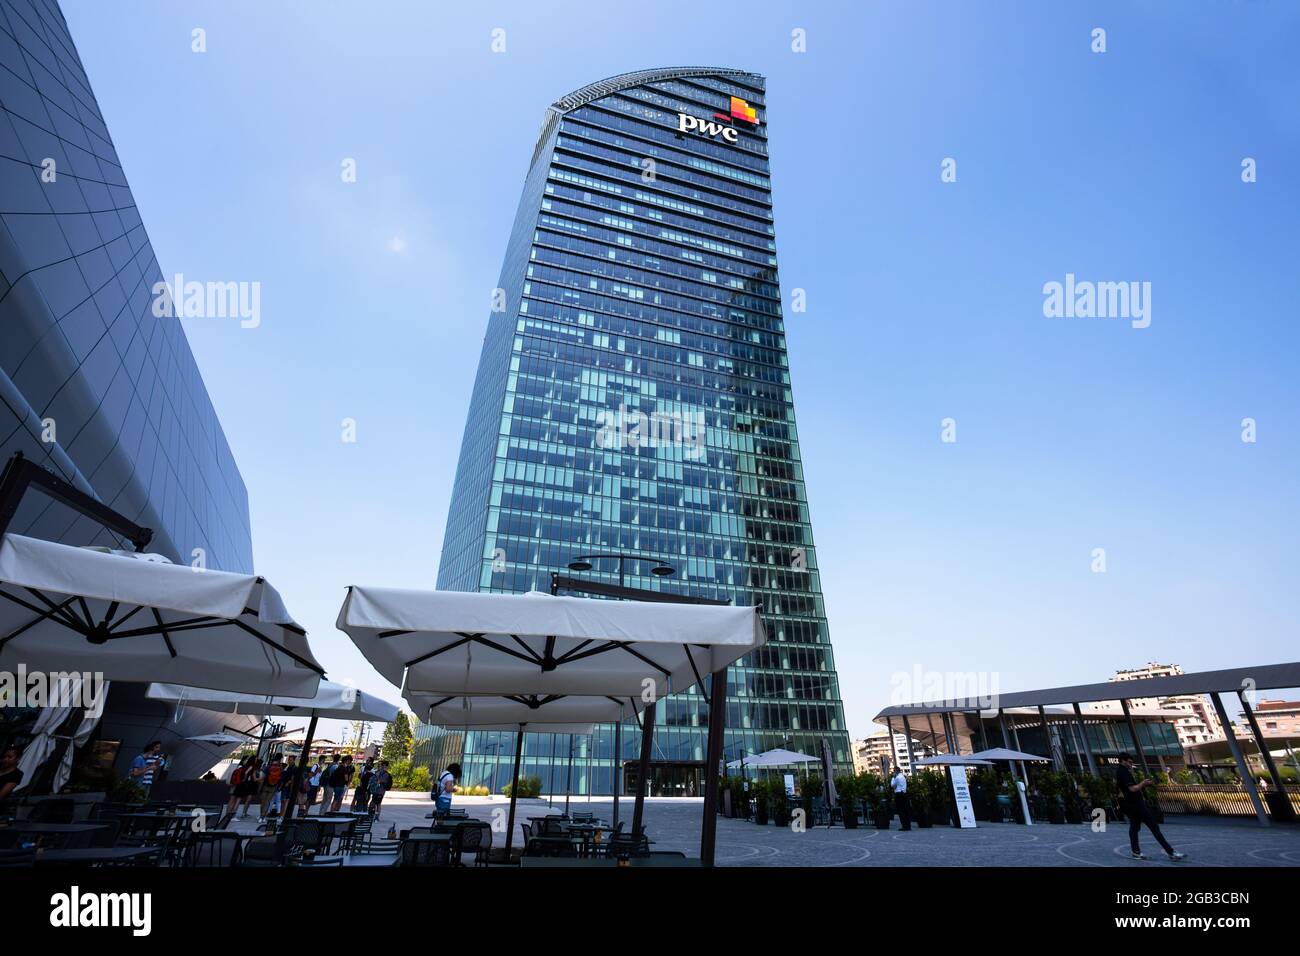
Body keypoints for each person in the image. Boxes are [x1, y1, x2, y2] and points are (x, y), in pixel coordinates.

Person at [1115, 754, 1185, 861]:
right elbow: (1132, 789)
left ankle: (1136, 852)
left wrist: (1145, 783)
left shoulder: (1122, 771)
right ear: (1122, 761)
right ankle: (1171, 852)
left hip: (1132, 805)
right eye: (1129, 762)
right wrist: (1143, 783)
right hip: (1136, 804)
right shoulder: (1123, 772)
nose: (1131, 764)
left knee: (1134, 827)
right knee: (1153, 826)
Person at [258, 754, 284, 820]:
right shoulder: (280, 768)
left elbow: (262, 777)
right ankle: (263, 817)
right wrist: (279, 787)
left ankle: (261, 815)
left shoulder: (268, 767)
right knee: (268, 802)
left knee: (263, 801)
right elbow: (281, 779)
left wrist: (260, 788)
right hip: (274, 786)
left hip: (266, 785)